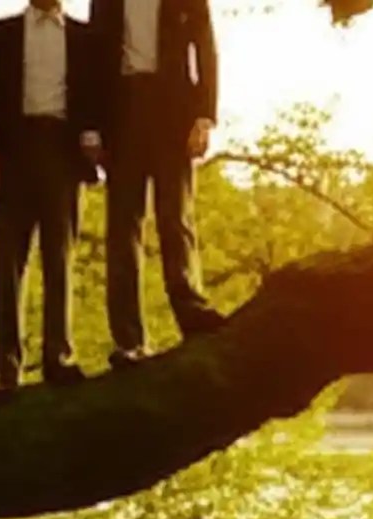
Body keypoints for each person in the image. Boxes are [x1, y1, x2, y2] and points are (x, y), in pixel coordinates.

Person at [0, 0, 101, 388]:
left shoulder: (85, 38)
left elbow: (99, 98)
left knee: (59, 257)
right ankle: (7, 363)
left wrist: (96, 141)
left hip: (63, 150)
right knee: (8, 259)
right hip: (13, 151)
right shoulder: (0, 34)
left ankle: (58, 356)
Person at [89, 0, 226, 370]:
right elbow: (92, 59)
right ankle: (128, 340)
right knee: (123, 228)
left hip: (174, 111)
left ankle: (191, 312)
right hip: (121, 113)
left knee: (175, 217)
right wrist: (92, 128)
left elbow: (206, 48)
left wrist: (204, 116)